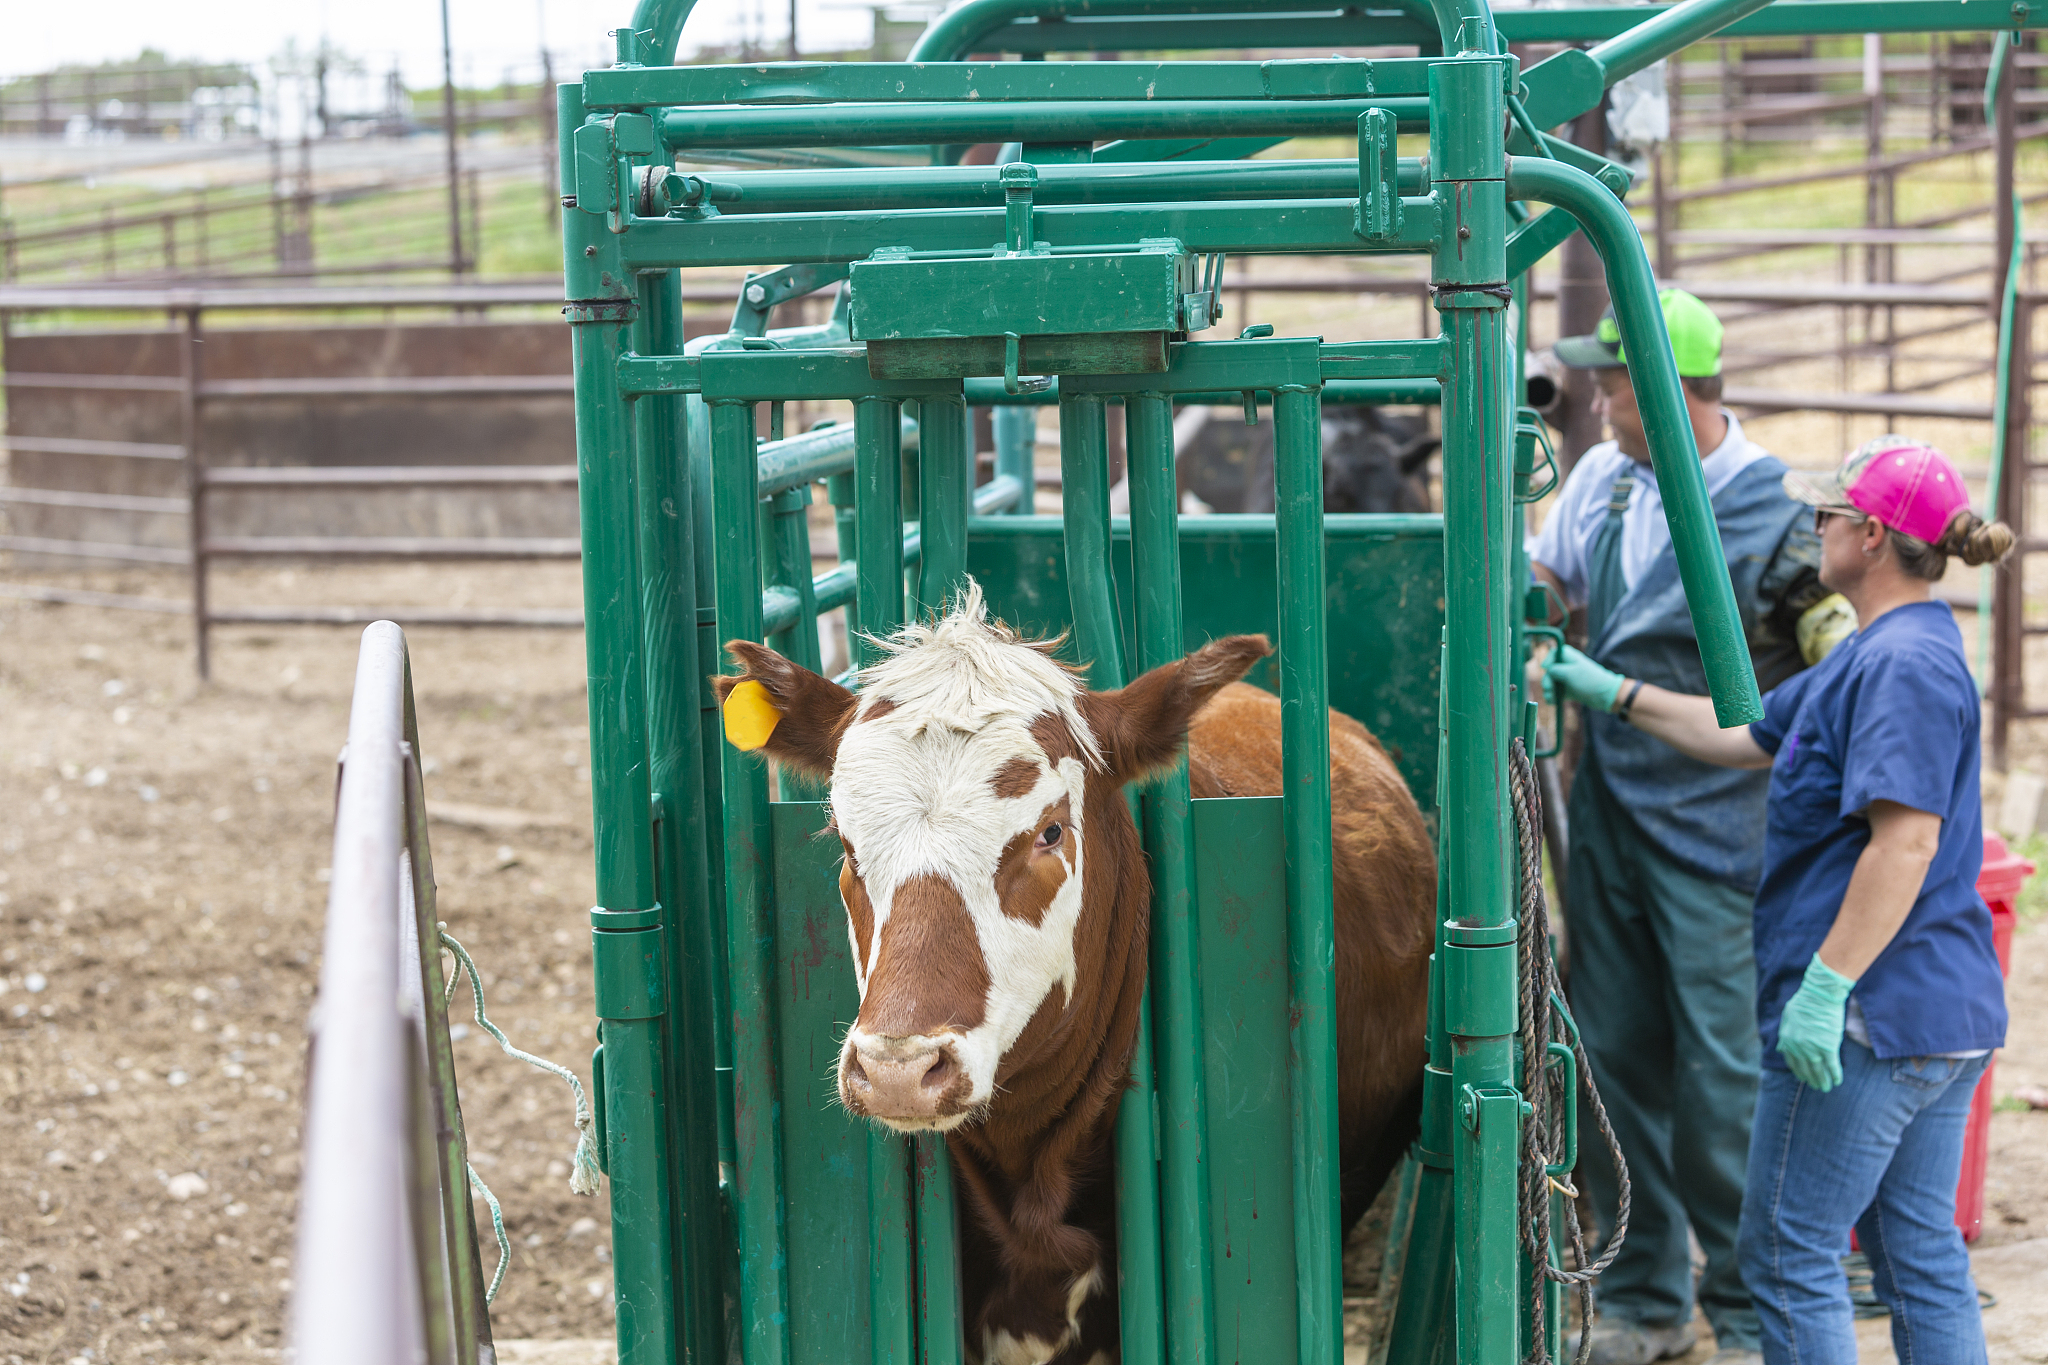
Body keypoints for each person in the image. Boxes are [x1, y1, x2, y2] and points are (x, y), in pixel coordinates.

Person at [1545, 435, 2013, 1365]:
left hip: (1876, 1018)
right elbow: (1743, 736)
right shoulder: (1877, 652)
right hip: (1929, 1010)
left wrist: (1827, 986)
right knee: (1915, 1250)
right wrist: (1615, 691)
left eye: (1832, 513)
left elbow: (1906, 839)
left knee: (1788, 1252)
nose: (1816, 523)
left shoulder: (1902, 667)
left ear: (1873, 538)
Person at [1530, 288, 1835, 1365]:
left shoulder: (1779, 515)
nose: (1594, 395)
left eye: (1609, 379)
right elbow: (1545, 575)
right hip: (1608, 811)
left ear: (1659, 388)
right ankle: (1646, 1296)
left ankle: (1751, 1306)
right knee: (1610, 1050)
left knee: (1721, 1073)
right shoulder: (1604, 483)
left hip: (1722, 829)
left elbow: (1822, 687)